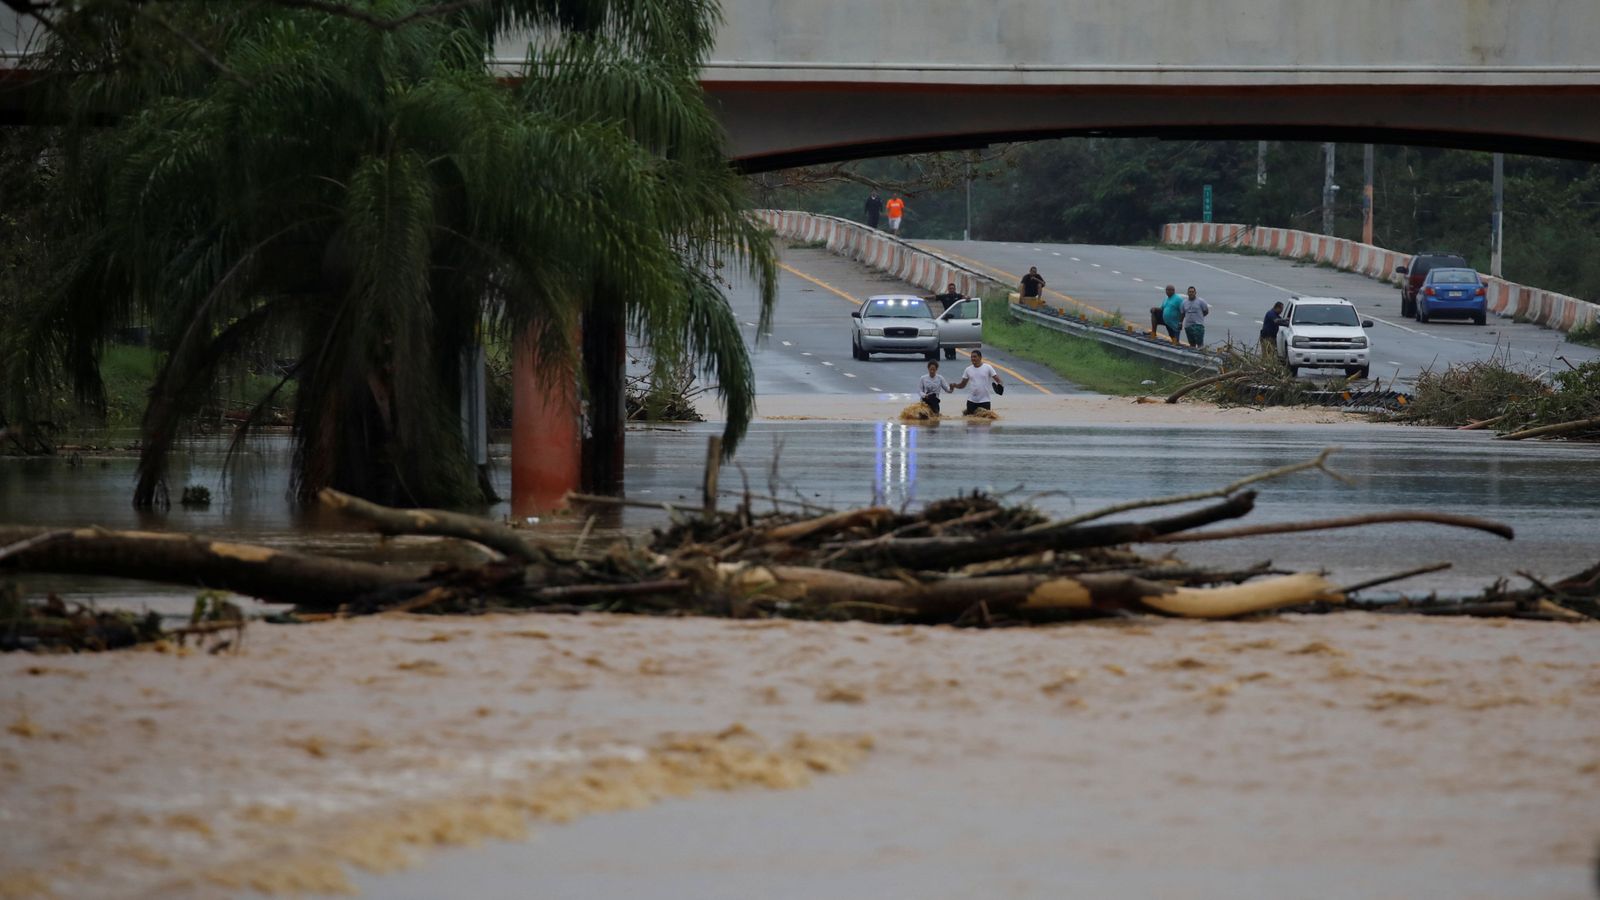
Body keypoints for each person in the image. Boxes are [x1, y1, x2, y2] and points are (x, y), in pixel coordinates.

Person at [951, 349, 1003, 416]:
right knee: (970, 422)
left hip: (985, 401)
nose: (973, 358)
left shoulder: (988, 367)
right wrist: (955, 385)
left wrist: (1000, 386)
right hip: (971, 401)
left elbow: (998, 380)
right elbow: (962, 385)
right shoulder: (968, 369)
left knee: (985, 423)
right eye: (972, 357)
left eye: (975, 356)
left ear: (980, 357)